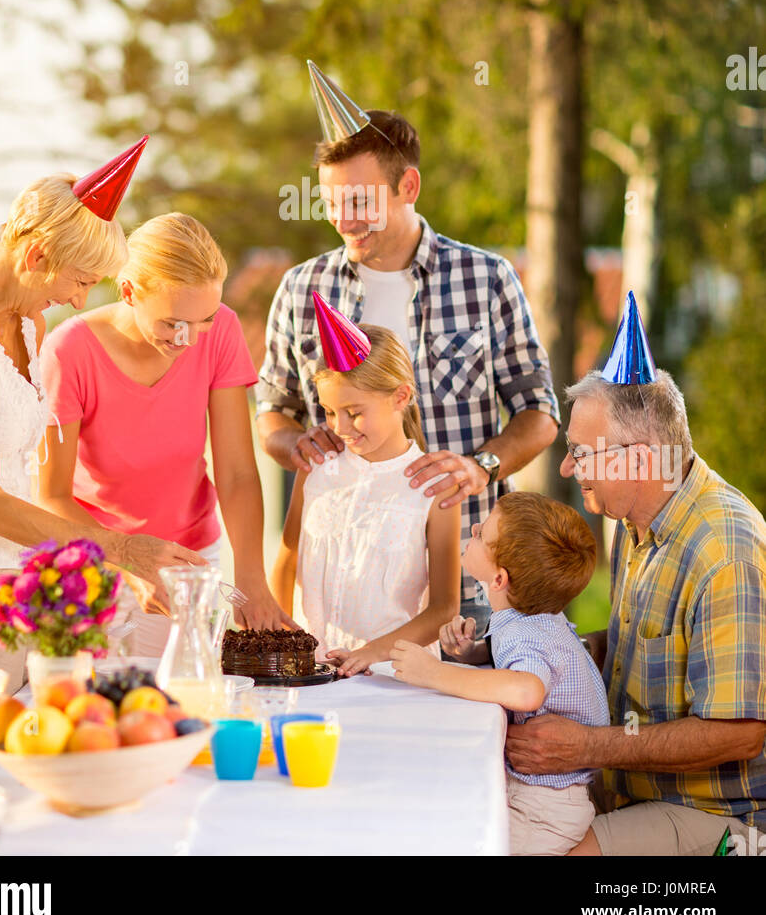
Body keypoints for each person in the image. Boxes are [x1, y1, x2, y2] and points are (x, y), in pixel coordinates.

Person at [257, 62, 559, 635]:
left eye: (360, 202)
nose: (345, 221)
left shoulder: (487, 278)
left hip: (473, 583)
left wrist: (479, 467)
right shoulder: (301, 288)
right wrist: (297, 442)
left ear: (408, 187)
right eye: (332, 203)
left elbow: (540, 415)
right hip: (341, 593)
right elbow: (271, 412)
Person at [0, 140, 197, 690]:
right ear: (37, 257)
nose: (82, 301)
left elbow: (25, 482)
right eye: (81, 281)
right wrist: (124, 551)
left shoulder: (29, 328)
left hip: (20, 578)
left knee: (49, 738)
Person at [505, 295, 766, 857]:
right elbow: (626, 653)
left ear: (639, 460)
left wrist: (587, 748)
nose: (569, 468)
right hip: (632, 789)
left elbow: (741, 732)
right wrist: (536, 651)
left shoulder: (726, 552)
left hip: (720, 815)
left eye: (580, 452)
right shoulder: (632, 520)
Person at [38, 212, 293, 658]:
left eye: (204, 320)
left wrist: (252, 577)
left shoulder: (222, 332)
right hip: (96, 560)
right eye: (174, 323)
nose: (190, 340)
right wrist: (125, 560)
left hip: (190, 561)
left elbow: (235, 472)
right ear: (130, 291)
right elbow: (52, 495)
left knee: (188, 704)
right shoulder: (69, 351)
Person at [392, 492, 609, 855]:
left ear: (499, 579)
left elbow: (528, 690)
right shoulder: (535, 616)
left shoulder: (524, 632)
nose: (473, 527)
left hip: (543, 807)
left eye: (481, 534)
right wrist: (472, 653)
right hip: (551, 797)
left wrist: (433, 672)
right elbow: (525, 668)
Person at [270, 295, 461, 672]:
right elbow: (286, 560)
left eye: (354, 413)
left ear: (400, 397)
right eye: (328, 411)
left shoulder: (436, 485)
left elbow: (444, 608)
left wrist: (371, 653)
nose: (339, 427)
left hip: (393, 676)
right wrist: (282, 641)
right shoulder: (316, 467)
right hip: (313, 670)